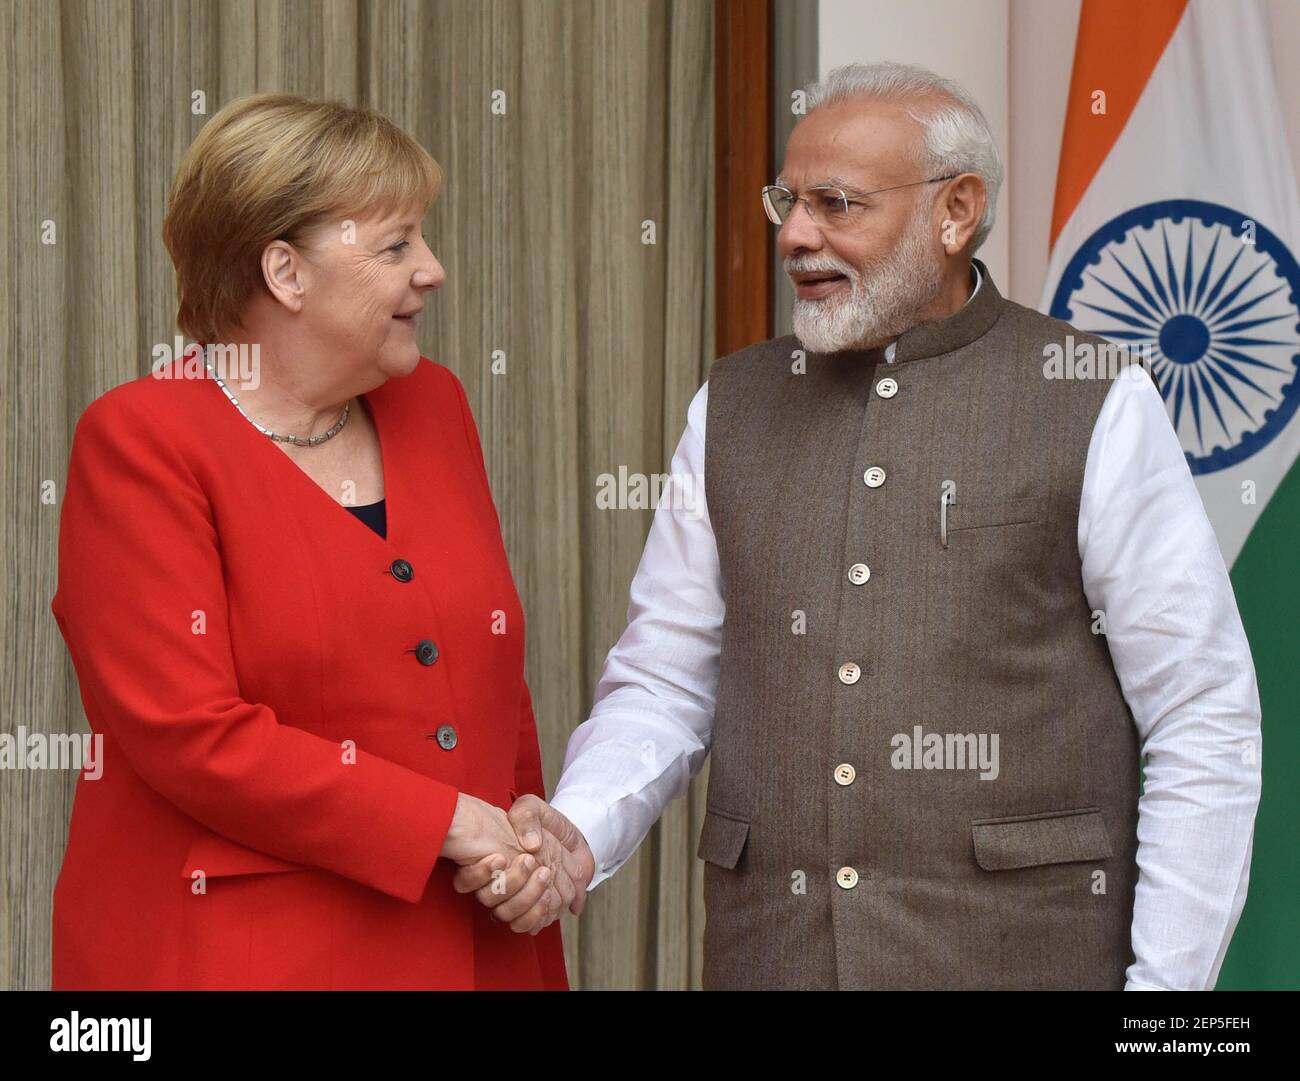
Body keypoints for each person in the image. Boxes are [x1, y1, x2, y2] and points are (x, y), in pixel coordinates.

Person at [464, 61, 1263, 991]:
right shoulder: (734, 402)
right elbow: (665, 680)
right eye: (787, 202)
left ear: (955, 211)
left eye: (837, 203)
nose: (796, 235)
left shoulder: (1095, 396)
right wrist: (580, 830)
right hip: (775, 958)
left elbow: (1201, 714)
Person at [49, 92, 585, 989]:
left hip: (477, 937)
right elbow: (190, 732)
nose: (434, 270)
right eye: (396, 244)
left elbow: (485, 666)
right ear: (286, 274)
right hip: (248, 953)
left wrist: (527, 831)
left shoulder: (434, 405)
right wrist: (447, 822)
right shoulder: (141, 438)